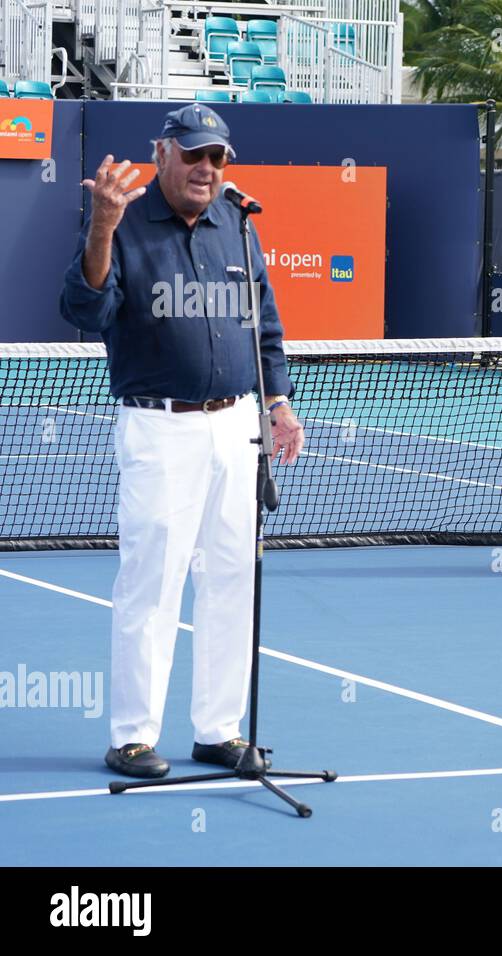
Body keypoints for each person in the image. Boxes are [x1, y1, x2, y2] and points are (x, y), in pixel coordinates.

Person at [59, 104, 304, 778]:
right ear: (161, 155)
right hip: (159, 426)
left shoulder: (238, 223)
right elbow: (85, 311)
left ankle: (218, 731)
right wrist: (103, 227)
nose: (205, 168)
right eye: (193, 154)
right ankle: (132, 735)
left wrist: (278, 403)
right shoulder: (123, 222)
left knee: (231, 578)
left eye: (216, 157)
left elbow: (266, 324)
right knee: (153, 580)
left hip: (235, 426)